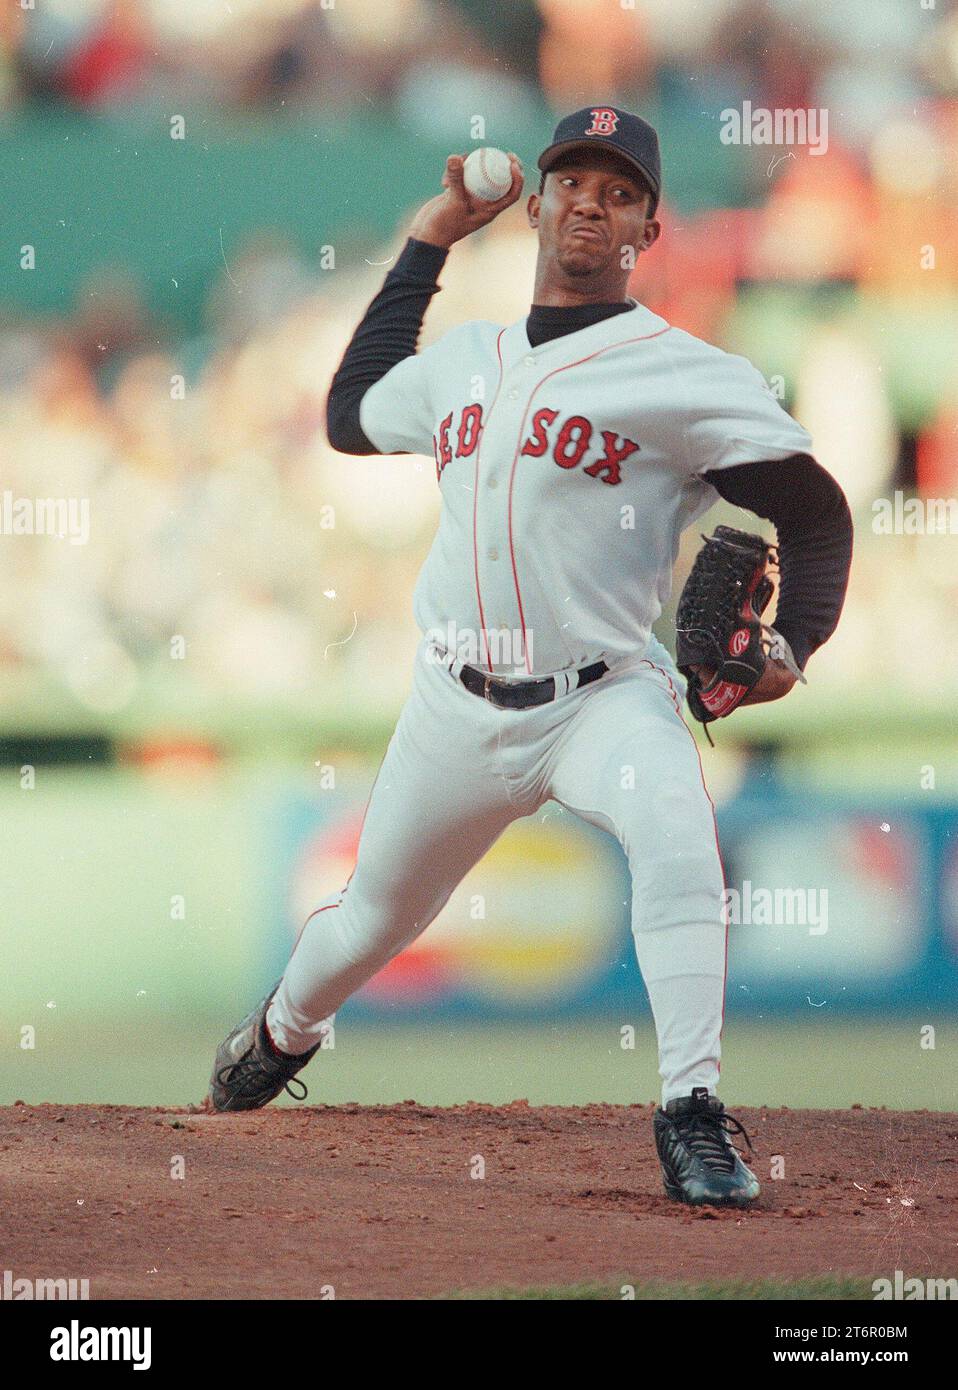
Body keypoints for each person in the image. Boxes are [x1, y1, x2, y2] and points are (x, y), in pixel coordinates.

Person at [207, 107, 852, 1208]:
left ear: (648, 224)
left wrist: (794, 642)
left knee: (676, 836)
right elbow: (351, 414)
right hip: (454, 704)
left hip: (601, 699)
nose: (591, 201)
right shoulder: (467, 360)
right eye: (572, 180)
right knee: (368, 920)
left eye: (618, 189)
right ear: (539, 201)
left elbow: (817, 514)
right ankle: (281, 1030)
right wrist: (432, 232)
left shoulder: (684, 373)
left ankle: (692, 1113)